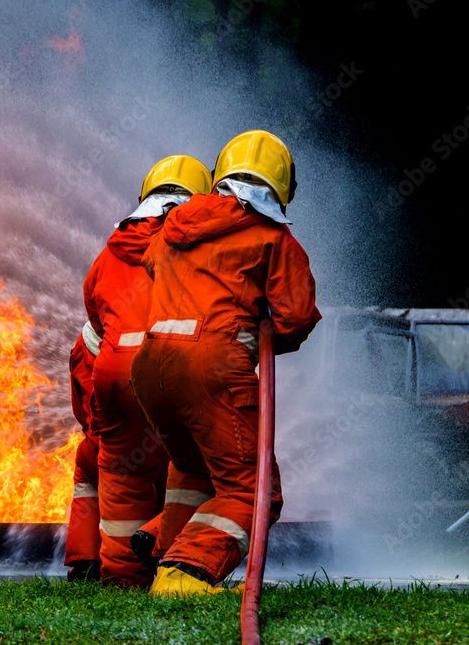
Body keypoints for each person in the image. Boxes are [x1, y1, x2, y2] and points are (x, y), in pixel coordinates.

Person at [130, 131, 322, 597]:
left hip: (151, 367)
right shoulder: (274, 238)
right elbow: (295, 318)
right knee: (253, 489)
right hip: (213, 368)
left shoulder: (174, 224)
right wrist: (261, 331)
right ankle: (186, 575)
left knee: (194, 471)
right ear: (281, 186)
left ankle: (164, 553)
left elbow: (151, 264)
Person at [84, 155, 213, 586]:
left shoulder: (109, 252)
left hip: (116, 374)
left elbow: (91, 338)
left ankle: (123, 578)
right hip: (173, 368)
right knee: (205, 469)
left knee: (122, 475)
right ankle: (176, 565)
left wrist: (94, 421)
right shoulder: (201, 241)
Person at [64, 324, 102, 581]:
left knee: (86, 474)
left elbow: (82, 411)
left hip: (100, 445)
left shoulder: (85, 340)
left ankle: (85, 564)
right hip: (148, 450)